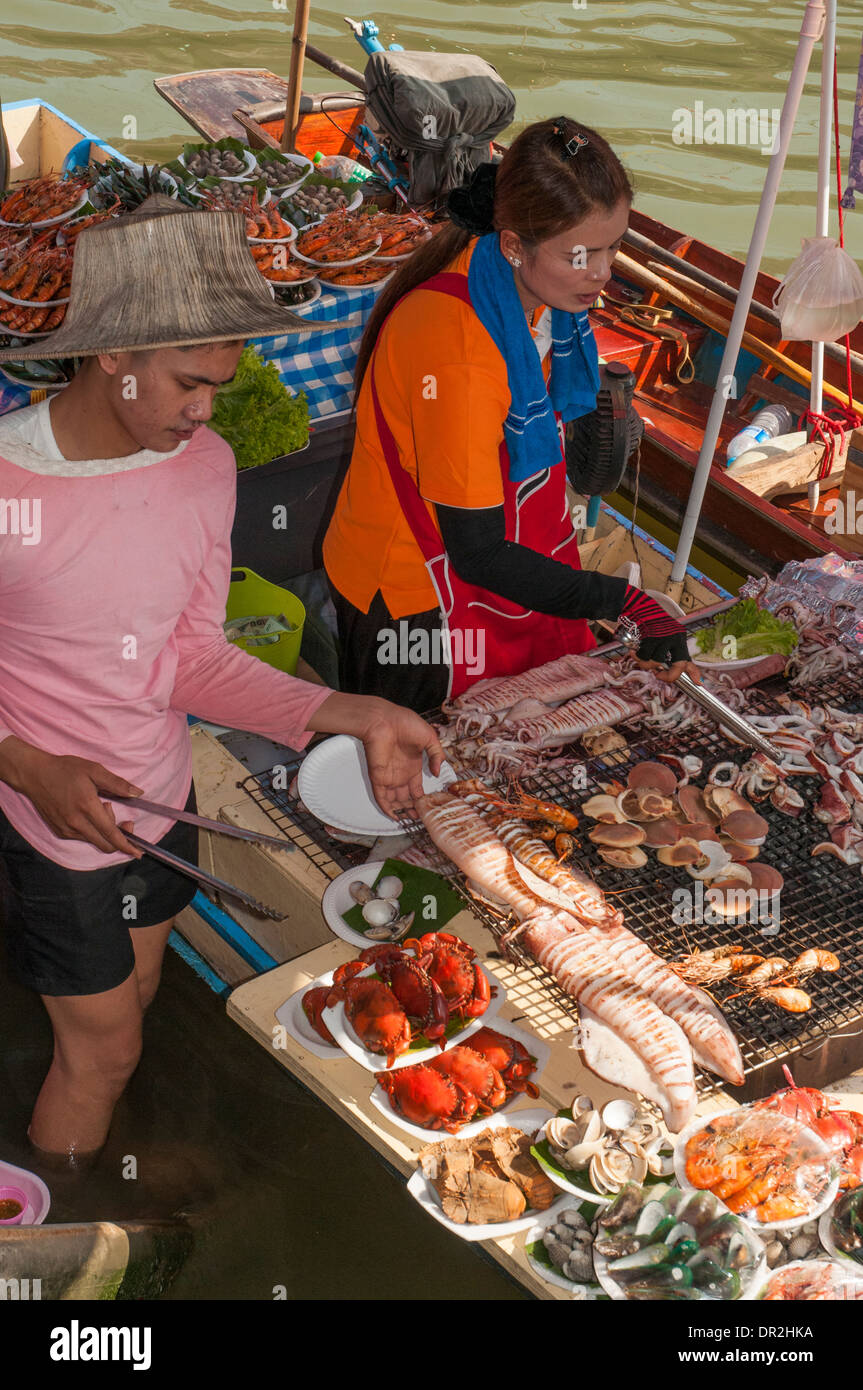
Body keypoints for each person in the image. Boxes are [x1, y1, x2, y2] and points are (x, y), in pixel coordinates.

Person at [0, 198, 443, 1166]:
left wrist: (350, 708)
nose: (206, 409)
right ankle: (54, 1213)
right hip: (50, 823)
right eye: (189, 383)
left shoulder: (205, 467)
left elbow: (192, 656)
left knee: (142, 994)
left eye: (220, 383)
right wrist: (29, 767)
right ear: (113, 354)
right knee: (106, 1048)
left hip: (160, 797)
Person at [324, 116, 700, 713]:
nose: (602, 275)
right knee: (422, 772)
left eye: (613, 248)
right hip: (415, 599)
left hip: (490, 559)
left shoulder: (518, 287)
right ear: (515, 243)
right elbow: (476, 552)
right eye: (580, 254)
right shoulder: (458, 354)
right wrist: (625, 601)